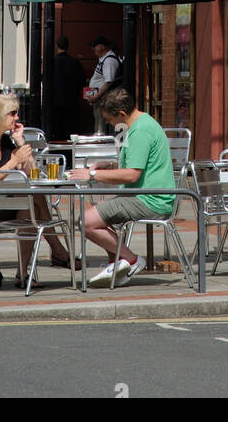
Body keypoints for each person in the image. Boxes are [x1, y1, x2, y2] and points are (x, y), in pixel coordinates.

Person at [0, 93, 77, 288]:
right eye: (12, 113)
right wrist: (13, 161)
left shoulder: (5, 141)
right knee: (31, 199)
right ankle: (57, 250)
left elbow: (32, 173)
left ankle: (23, 273)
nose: (17, 118)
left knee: (31, 206)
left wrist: (21, 142)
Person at [69, 85, 176, 288]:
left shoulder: (140, 132)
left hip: (150, 200)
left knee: (85, 221)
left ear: (121, 113)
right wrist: (108, 165)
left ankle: (132, 260)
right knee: (98, 215)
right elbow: (139, 165)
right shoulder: (141, 124)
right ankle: (118, 262)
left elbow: (132, 174)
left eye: (110, 119)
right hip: (146, 196)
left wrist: (92, 174)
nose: (109, 124)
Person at [53, 36, 86, 138]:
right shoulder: (75, 63)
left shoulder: (52, 63)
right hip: (71, 101)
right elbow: (82, 81)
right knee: (70, 129)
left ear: (57, 46)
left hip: (55, 101)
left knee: (57, 129)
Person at [86, 37, 121, 134]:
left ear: (101, 46)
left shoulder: (109, 61)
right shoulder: (104, 59)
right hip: (100, 99)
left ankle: (100, 144)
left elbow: (108, 82)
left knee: (101, 126)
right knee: (99, 123)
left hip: (103, 100)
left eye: (94, 46)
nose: (93, 49)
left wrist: (96, 96)